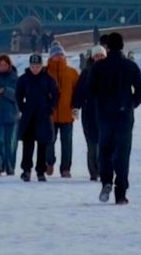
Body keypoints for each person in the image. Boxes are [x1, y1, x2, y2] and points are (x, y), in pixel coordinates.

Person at [86, 31, 141, 205]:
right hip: (124, 116)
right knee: (122, 153)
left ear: (107, 47)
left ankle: (106, 181)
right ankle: (120, 192)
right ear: (122, 46)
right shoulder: (130, 66)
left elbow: (90, 91)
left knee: (104, 151)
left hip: (105, 116)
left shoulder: (98, 67)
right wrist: (131, 104)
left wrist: (100, 104)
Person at [15, 53, 60, 181]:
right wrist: (22, 107)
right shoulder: (23, 79)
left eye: (38, 66)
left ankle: (41, 171)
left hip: (43, 115)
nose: (35, 68)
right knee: (28, 144)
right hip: (29, 116)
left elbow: (56, 95)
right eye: (33, 66)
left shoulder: (48, 79)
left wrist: (50, 108)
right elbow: (18, 95)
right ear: (29, 66)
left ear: (42, 66)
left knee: (42, 144)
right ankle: (26, 170)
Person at [46, 43, 80, 179]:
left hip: (67, 114)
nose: (58, 57)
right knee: (49, 141)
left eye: (60, 54)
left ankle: (65, 168)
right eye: (55, 55)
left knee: (67, 143)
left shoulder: (72, 73)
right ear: (51, 56)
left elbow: (77, 92)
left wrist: (76, 107)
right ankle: (49, 162)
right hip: (50, 115)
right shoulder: (45, 72)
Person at [73, 47, 103, 181]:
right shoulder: (86, 73)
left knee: (105, 145)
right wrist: (76, 107)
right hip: (89, 113)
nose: (98, 59)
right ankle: (93, 172)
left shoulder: (110, 72)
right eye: (96, 56)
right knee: (92, 144)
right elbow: (79, 91)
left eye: (101, 56)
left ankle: (104, 170)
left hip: (105, 113)